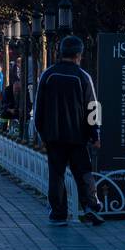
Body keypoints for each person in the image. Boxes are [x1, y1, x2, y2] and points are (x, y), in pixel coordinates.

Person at [33, 34, 104, 228]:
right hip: (77, 137)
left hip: (54, 136)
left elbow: (39, 107)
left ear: (61, 53)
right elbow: (93, 107)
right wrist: (95, 134)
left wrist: (42, 133)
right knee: (83, 172)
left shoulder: (48, 75)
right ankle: (91, 207)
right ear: (78, 55)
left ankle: (58, 214)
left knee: (56, 174)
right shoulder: (83, 76)